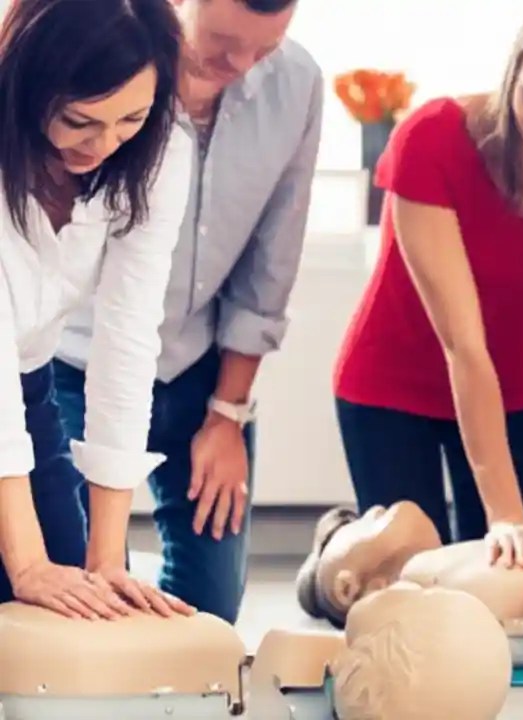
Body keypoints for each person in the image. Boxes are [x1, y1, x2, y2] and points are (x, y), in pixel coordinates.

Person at [332, 0, 523, 570]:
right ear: (512, 72)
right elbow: (464, 345)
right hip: (388, 385)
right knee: (411, 581)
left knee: (518, 577)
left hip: (509, 393)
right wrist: (505, 513)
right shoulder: (430, 139)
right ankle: (334, 550)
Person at [53, 0, 324, 624]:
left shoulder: (298, 85)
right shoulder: (107, 67)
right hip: (72, 362)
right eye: (223, 39)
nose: (243, 64)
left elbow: (271, 263)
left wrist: (228, 413)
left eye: (266, 48)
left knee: (211, 616)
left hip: (197, 369)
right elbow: (121, 322)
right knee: (84, 595)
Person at [0, 0, 194, 619]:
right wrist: (26, 565)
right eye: (79, 121)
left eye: (131, 118)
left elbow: (129, 337)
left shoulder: (160, 153)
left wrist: (107, 559)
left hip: (27, 384)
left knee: (84, 599)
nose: (105, 144)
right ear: (29, 85)